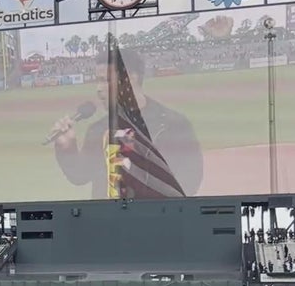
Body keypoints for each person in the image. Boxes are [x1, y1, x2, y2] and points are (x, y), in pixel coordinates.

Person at [50, 48, 203, 199]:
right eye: (98, 81)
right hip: (109, 215)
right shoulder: (98, 130)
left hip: (156, 214)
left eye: (105, 80)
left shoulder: (172, 124)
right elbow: (80, 176)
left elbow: (190, 181)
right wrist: (67, 147)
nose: (98, 89)